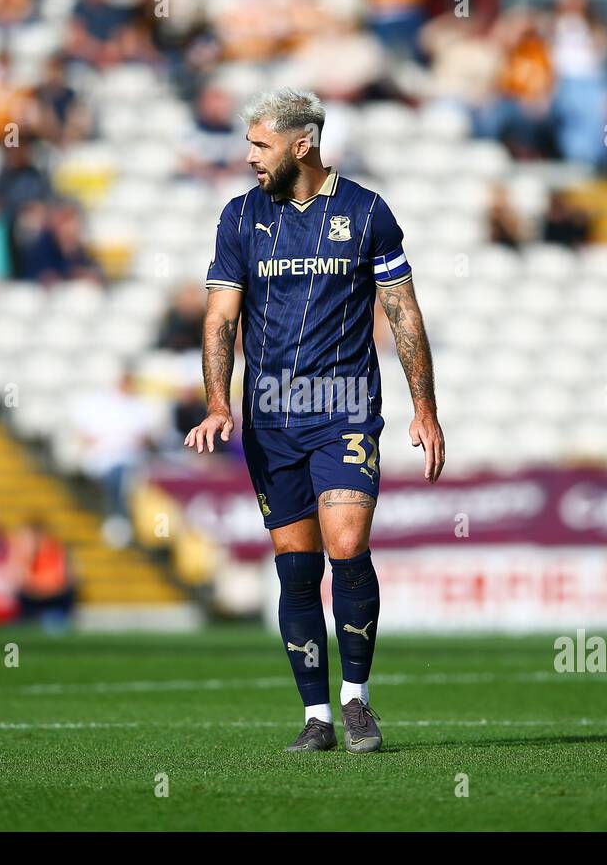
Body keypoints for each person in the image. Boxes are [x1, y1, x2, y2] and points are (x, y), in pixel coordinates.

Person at [184, 88, 445, 753]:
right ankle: (317, 716)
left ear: (303, 143)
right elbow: (220, 318)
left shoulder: (365, 213)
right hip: (270, 420)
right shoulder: (240, 219)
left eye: (259, 145)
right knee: (296, 569)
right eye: (248, 144)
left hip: (345, 411)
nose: (248, 158)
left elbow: (403, 312)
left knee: (347, 546)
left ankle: (356, 703)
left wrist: (425, 410)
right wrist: (217, 402)